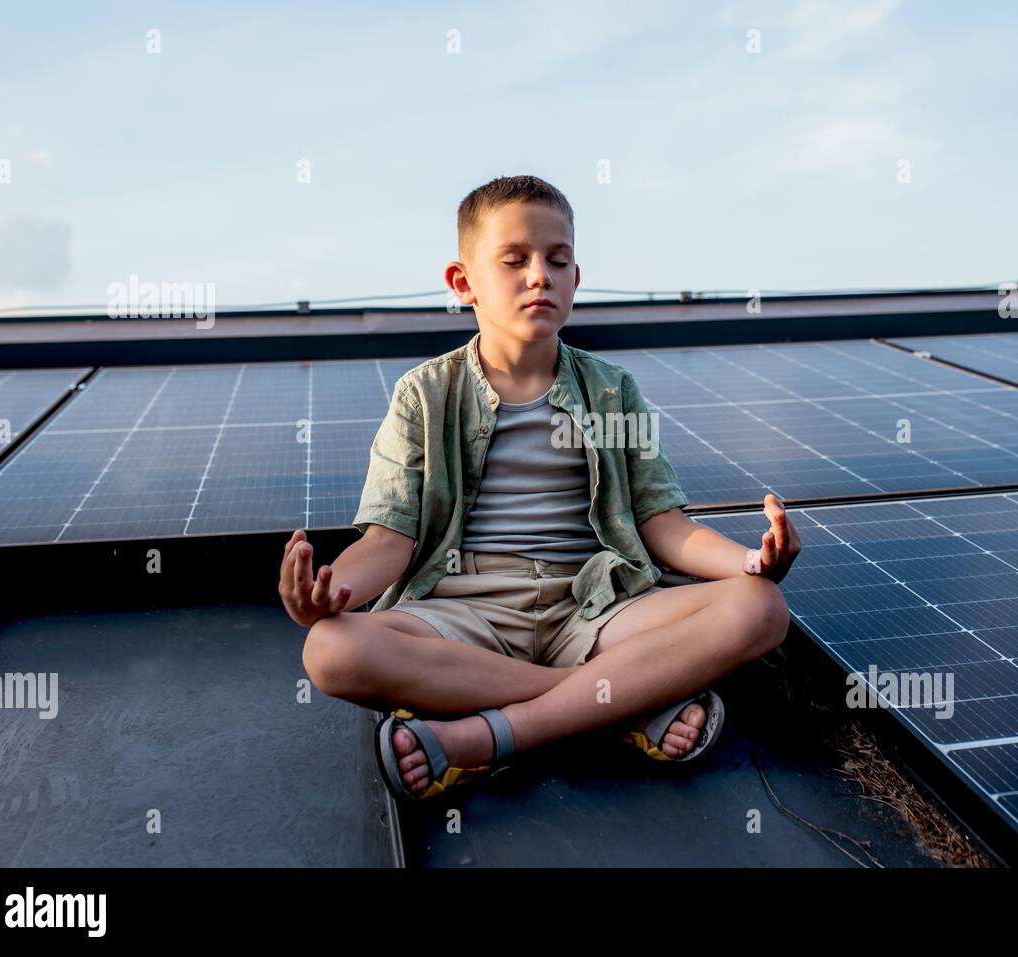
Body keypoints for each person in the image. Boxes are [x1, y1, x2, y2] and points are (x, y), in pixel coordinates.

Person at [281, 174, 801, 801]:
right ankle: (617, 705)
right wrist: (330, 592)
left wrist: (751, 561)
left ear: (575, 280)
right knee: (332, 651)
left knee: (759, 608)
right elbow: (391, 540)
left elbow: (663, 525)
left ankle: (491, 735)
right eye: (515, 259)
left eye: (558, 261)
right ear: (463, 282)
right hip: (466, 613)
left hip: (597, 606)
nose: (540, 275)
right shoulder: (424, 394)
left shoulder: (612, 391)